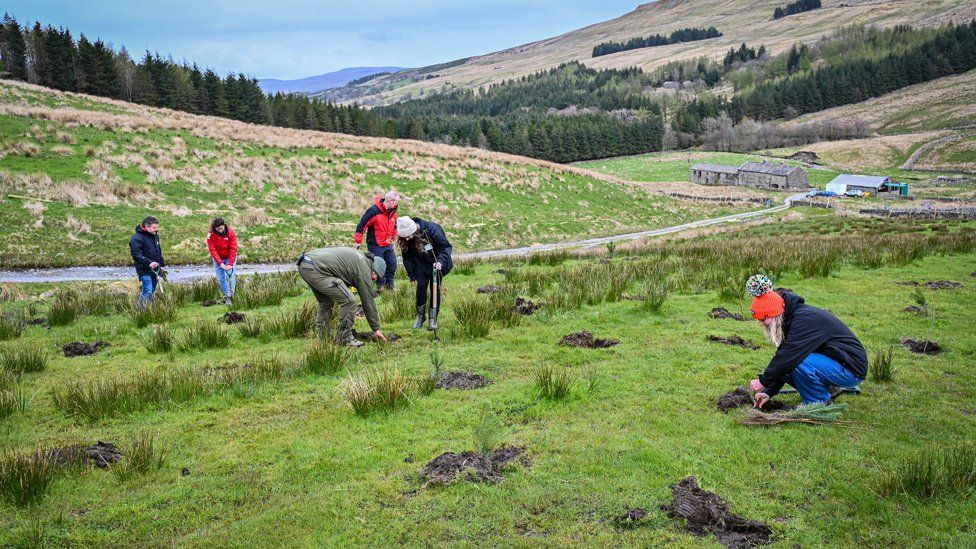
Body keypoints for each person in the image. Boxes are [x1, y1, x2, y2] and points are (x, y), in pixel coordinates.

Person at [746, 274, 867, 409]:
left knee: (797, 361)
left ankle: (818, 402)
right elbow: (783, 360)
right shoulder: (789, 318)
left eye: (762, 319)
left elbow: (788, 357)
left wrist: (763, 381)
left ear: (773, 313)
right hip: (834, 361)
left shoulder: (803, 321)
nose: (760, 324)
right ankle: (828, 388)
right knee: (785, 365)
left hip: (851, 368)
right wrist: (769, 391)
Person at [297, 247, 388, 347]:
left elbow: (343, 275)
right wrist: (376, 329)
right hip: (317, 269)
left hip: (306, 265)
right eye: (376, 278)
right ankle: (345, 338)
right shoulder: (365, 270)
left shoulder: (360, 258)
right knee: (349, 301)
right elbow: (368, 301)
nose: (373, 280)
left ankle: (324, 339)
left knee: (326, 302)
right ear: (374, 270)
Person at [397, 216, 453, 330]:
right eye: (405, 237)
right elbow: (407, 257)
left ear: (415, 230)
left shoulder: (432, 230)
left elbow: (445, 247)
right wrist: (412, 274)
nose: (407, 239)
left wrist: (441, 262)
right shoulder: (405, 239)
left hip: (436, 264)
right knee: (421, 288)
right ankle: (420, 316)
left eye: (409, 236)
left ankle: (433, 320)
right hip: (421, 265)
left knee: (435, 290)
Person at [354, 190, 399, 291]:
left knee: (392, 264)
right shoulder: (374, 211)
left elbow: (395, 224)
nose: (397, 204)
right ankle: (381, 287)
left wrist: (395, 234)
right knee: (379, 266)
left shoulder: (393, 212)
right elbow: (362, 225)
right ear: (390, 201)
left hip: (388, 244)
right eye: (395, 201)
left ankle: (390, 286)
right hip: (375, 245)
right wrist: (358, 241)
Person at [129, 215, 165, 308]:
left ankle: (151, 309)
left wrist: (161, 264)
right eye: (154, 228)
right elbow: (136, 255)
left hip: (155, 268)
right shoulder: (136, 238)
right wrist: (149, 263)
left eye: (157, 227)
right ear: (147, 226)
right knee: (147, 290)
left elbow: (158, 250)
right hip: (144, 268)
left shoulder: (155, 236)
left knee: (152, 290)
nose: (156, 230)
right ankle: (140, 310)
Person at [206, 217, 238, 305]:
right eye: (218, 229)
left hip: (230, 257)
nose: (220, 230)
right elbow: (213, 250)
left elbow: (233, 249)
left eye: (221, 228)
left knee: (230, 276)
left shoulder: (231, 232)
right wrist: (220, 263)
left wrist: (230, 264)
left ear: (224, 225)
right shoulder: (210, 235)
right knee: (221, 279)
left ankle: (232, 296)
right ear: (215, 228)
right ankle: (228, 296)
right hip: (218, 258)